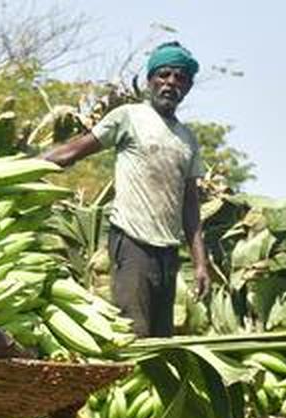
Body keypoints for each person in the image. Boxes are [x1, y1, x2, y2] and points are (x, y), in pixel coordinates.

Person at [42, 41, 211, 337]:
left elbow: (190, 206)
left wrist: (200, 263)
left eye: (179, 78)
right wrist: (22, 165)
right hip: (133, 243)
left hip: (168, 253)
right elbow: (73, 152)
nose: (171, 83)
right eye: (164, 75)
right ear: (150, 80)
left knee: (161, 341)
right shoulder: (129, 117)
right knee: (134, 334)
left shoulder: (187, 139)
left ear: (187, 87)